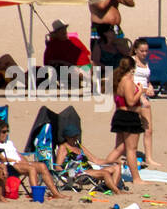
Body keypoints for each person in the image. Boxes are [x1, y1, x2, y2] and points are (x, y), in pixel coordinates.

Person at [102, 56, 146, 188]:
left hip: (120, 115)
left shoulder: (118, 79)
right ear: (132, 68)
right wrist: (141, 91)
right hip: (128, 117)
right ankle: (136, 178)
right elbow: (131, 101)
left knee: (119, 149)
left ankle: (104, 168)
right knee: (131, 150)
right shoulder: (126, 81)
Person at [0, 119, 63, 198]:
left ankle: (55, 193)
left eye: (7, 131)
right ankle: (35, 195)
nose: (6, 134)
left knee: (42, 166)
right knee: (31, 168)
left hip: (19, 163)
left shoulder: (9, 142)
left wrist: (26, 162)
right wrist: (19, 162)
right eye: (3, 132)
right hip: (9, 165)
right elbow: (2, 158)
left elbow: (17, 154)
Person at [56, 132, 127, 193]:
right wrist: (68, 173)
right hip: (78, 173)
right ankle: (117, 191)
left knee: (116, 167)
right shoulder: (63, 147)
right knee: (105, 173)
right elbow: (58, 167)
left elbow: (95, 160)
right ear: (66, 137)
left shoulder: (78, 146)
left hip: (89, 171)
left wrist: (114, 161)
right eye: (72, 137)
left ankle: (112, 189)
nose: (75, 138)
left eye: (76, 136)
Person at [129, 38, 161, 168]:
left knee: (148, 129)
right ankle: (127, 154)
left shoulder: (146, 62)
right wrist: (140, 95)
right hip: (134, 95)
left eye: (146, 51)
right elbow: (129, 80)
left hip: (144, 95)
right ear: (136, 50)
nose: (144, 53)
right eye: (141, 51)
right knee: (131, 128)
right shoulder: (131, 61)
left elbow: (146, 79)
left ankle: (148, 157)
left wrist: (150, 86)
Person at [89, 0, 135, 64]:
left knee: (122, 54)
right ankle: (100, 76)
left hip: (116, 29)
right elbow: (101, 6)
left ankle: (118, 73)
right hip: (101, 28)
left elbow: (131, 4)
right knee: (99, 57)